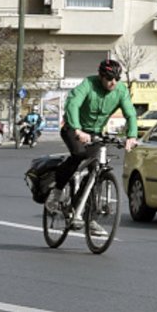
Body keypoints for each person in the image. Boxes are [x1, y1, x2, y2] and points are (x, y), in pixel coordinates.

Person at [48, 59, 138, 214]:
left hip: (94, 132)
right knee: (79, 155)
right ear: (101, 76)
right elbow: (73, 104)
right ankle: (56, 192)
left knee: (95, 171)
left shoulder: (121, 90)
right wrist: (77, 130)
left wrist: (131, 136)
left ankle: (81, 212)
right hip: (73, 127)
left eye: (117, 79)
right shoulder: (88, 84)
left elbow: (130, 113)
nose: (113, 83)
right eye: (109, 79)